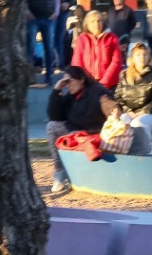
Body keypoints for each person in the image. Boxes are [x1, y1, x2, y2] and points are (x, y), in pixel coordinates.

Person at [45, 65, 119, 197]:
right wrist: (57, 90)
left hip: (92, 134)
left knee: (75, 136)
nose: (67, 85)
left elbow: (108, 104)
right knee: (52, 126)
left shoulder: (97, 92)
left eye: (70, 80)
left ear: (81, 79)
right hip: (74, 132)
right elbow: (54, 116)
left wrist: (115, 112)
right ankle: (60, 170)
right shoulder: (71, 96)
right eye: (65, 81)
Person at [113, 42, 152, 130]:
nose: (142, 57)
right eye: (138, 55)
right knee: (121, 122)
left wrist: (143, 112)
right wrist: (129, 111)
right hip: (130, 114)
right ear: (133, 57)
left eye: (145, 54)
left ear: (149, 57)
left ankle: (146, 144)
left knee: (137, 124)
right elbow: (118, 98)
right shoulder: (124, 75)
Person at [24, 0, 59, 84]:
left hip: (48, 18)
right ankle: (29, 76)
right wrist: (26, 11)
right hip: (32, 18)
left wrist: (56, 11)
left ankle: (49, 75)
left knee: (48, 48)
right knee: (30, 47)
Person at [70, 9, 123, 89]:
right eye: (92, 22)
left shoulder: (112, 38)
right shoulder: (81, 39)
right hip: (87, 85)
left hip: (109, 85)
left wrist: (104, 82)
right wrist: (85, 81)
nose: (96, 24)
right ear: (87, 25)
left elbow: (116, 61)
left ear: (103, 23)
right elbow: (77, 62)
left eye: (99, 21)